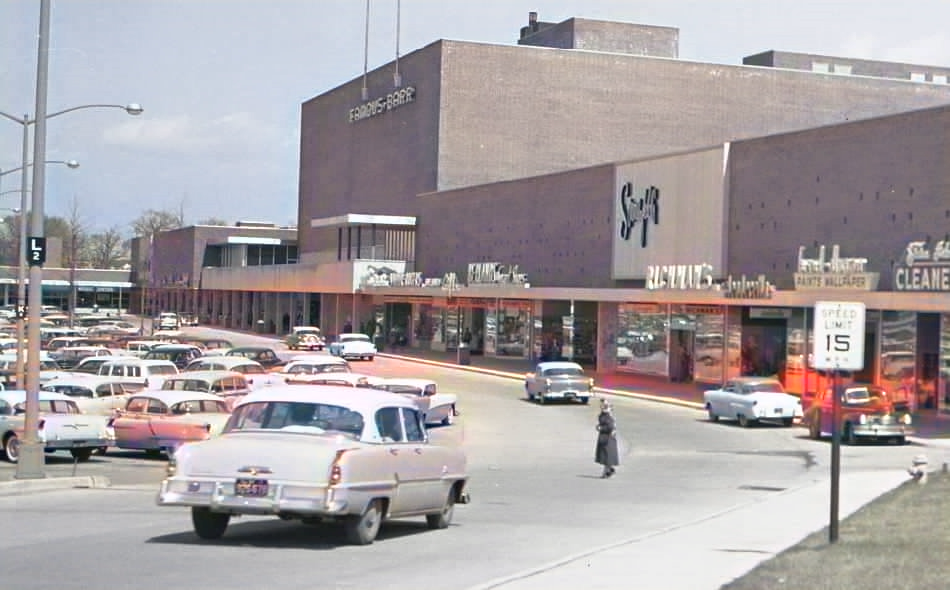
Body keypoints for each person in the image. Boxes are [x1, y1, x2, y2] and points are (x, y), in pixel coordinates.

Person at [595, 399, 620, 478]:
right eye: (602, 405)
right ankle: (609, 471)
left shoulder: (608, 416)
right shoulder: (603, 414)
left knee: (607, 456)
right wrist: (599, 427)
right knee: (606, 456)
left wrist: (601, 428)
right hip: (604, 437)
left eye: (604, 405)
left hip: (608, 439)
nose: (602, 407)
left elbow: (610, 427)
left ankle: (606, 472)